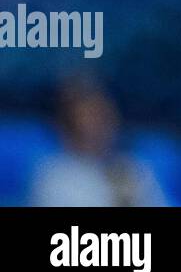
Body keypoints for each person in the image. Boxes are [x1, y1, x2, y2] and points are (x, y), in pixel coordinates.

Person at [29, 75, 168, 207]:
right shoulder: (53, 177)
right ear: (68, 127)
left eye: (104, 118)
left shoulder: (133, 168)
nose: (100, 129)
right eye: (90, 119)